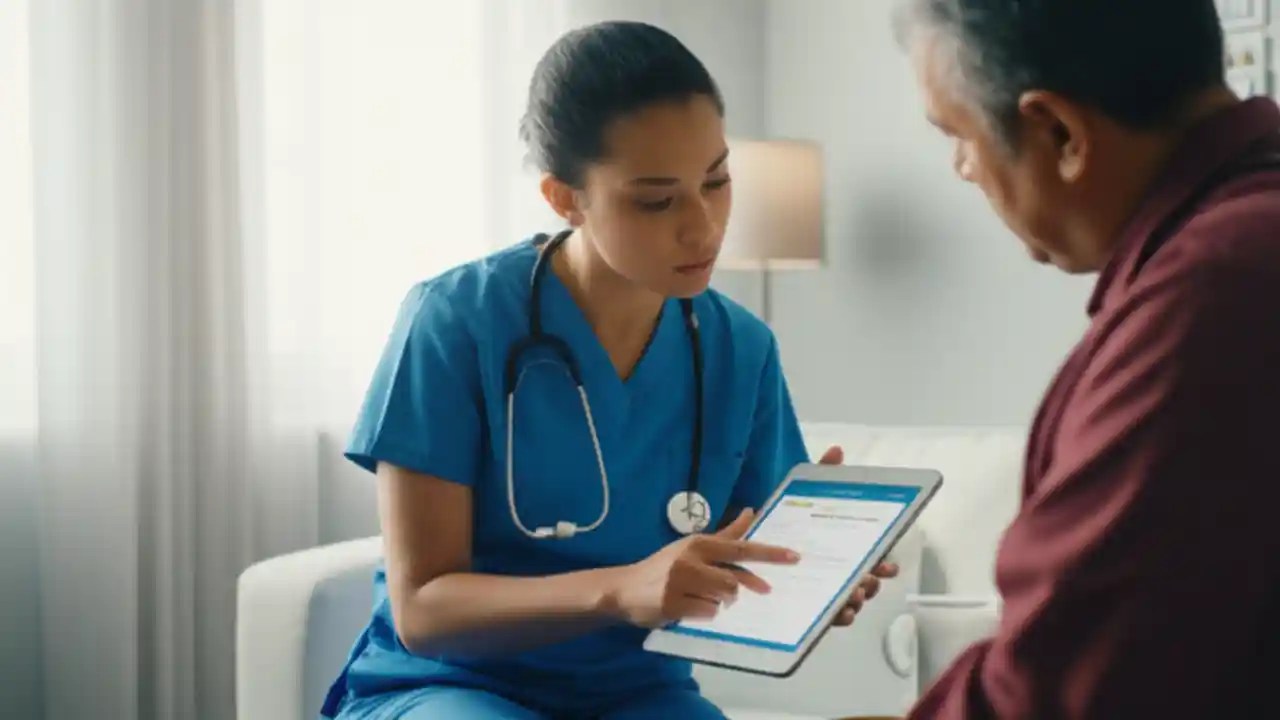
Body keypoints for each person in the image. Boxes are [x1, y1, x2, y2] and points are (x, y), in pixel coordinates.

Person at [319, 20, 894, 720]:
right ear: (565, 198)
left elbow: (734, 582)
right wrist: (622, 588)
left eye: (716, 181)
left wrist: (817, 583)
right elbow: (423, 607)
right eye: (656, 199)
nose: (704, 227)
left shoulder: (740, 349)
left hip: (637, 698)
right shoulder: (454, 320)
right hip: (448, 688)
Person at [894, 0, 1280, 717]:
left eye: (960, 136)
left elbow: (1057, 693)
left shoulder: (1211, 295)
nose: (962, 168)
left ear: (1059, 132)